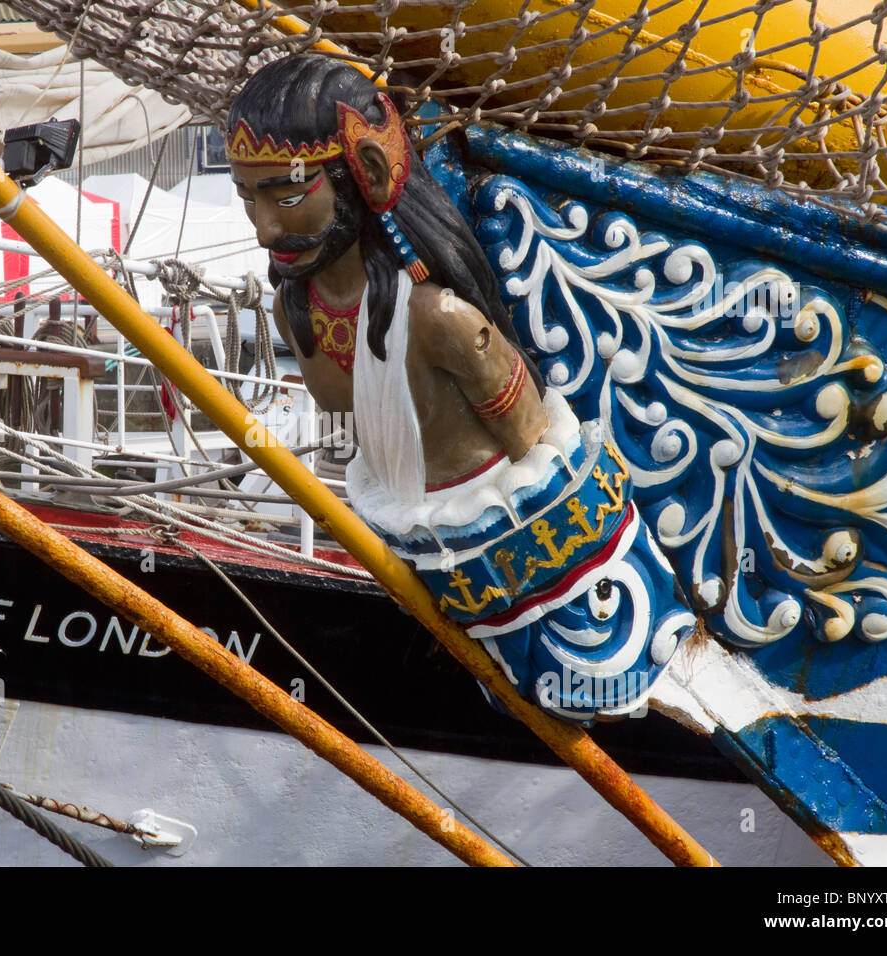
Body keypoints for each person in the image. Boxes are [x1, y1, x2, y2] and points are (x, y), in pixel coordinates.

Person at [228, 54, 693, 722]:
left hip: (529, 551)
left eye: (289, 194)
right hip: (430, 551)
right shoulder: (296, 314)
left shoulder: (439, 319)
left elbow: (530, 439)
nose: (265, 228)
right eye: (250, 198)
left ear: (366, 177)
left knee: (587, 669)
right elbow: (345, 433)